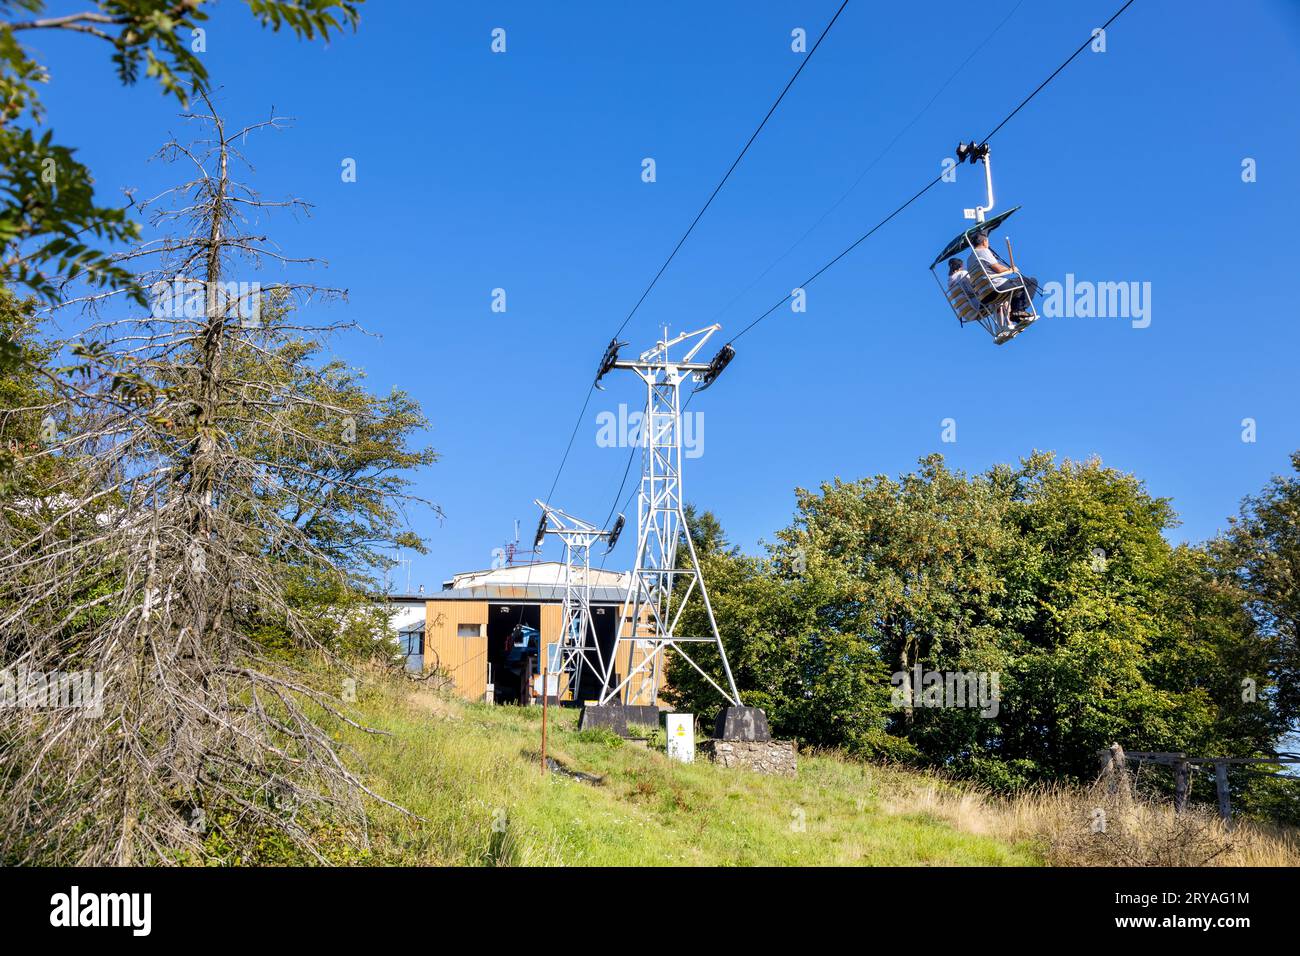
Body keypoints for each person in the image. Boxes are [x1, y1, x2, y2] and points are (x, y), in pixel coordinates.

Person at [966, 230, 1037, 322]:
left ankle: (1017, 313)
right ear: (984, 241)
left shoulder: (969, 259)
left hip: (984, 296)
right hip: (996, 288)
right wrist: (1011, 269)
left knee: (1017, 288)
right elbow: (998, 269)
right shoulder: (983, 251)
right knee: (1030, 281)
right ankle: (1018, 311)